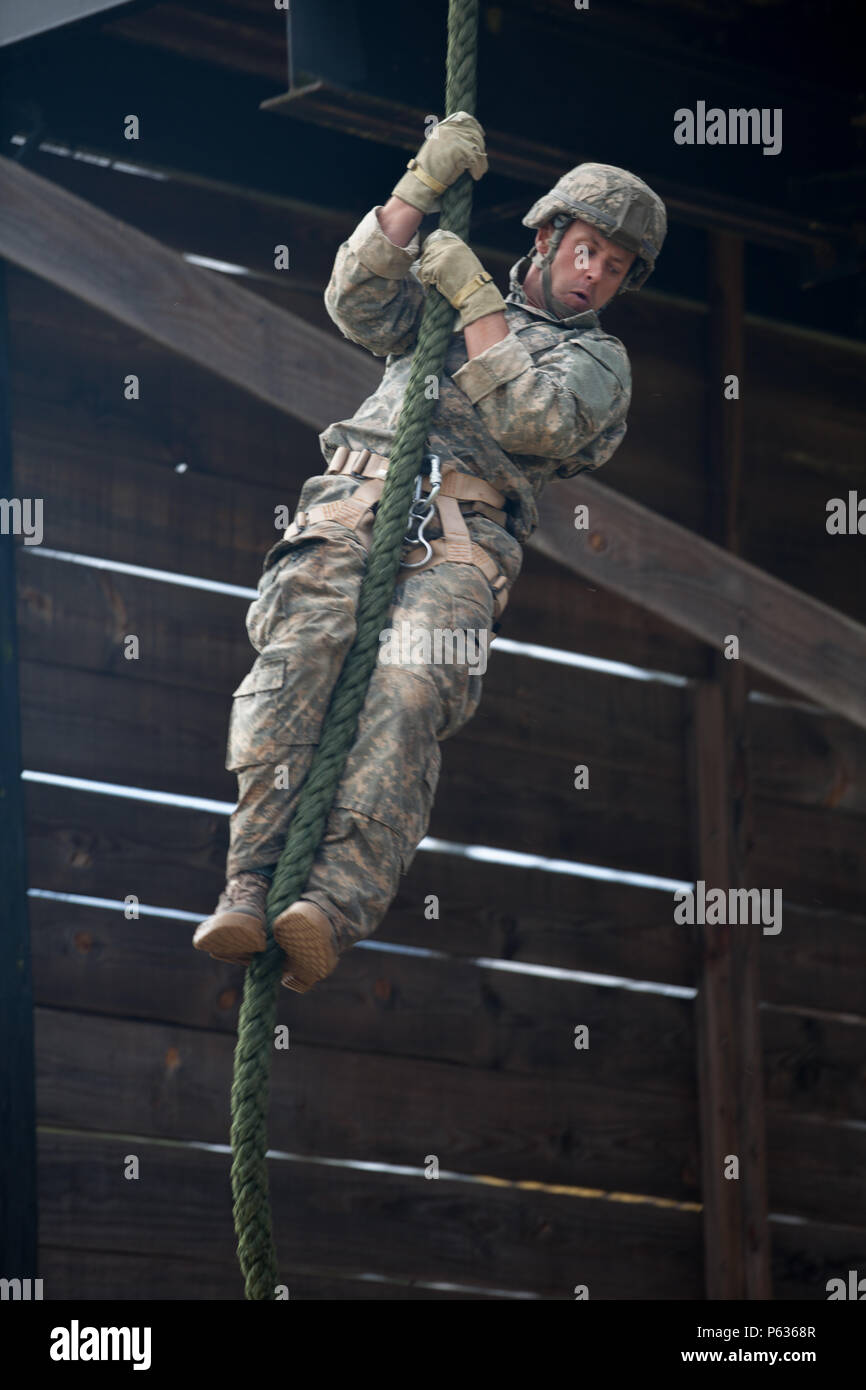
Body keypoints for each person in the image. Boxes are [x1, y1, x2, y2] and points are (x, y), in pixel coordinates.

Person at [192, 113, 667, 992]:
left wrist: (479, 301)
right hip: (353, 506)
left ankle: (329, 909)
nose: (593, 273)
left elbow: (534, 419)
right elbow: (356, 302)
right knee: (296, 662)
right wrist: (416, 191)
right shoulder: (445, 295)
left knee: (410, 693)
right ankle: (248, 882)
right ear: (550, 235)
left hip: (459, 543)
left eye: (614, 266)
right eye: (586, 248)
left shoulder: (599, 363)